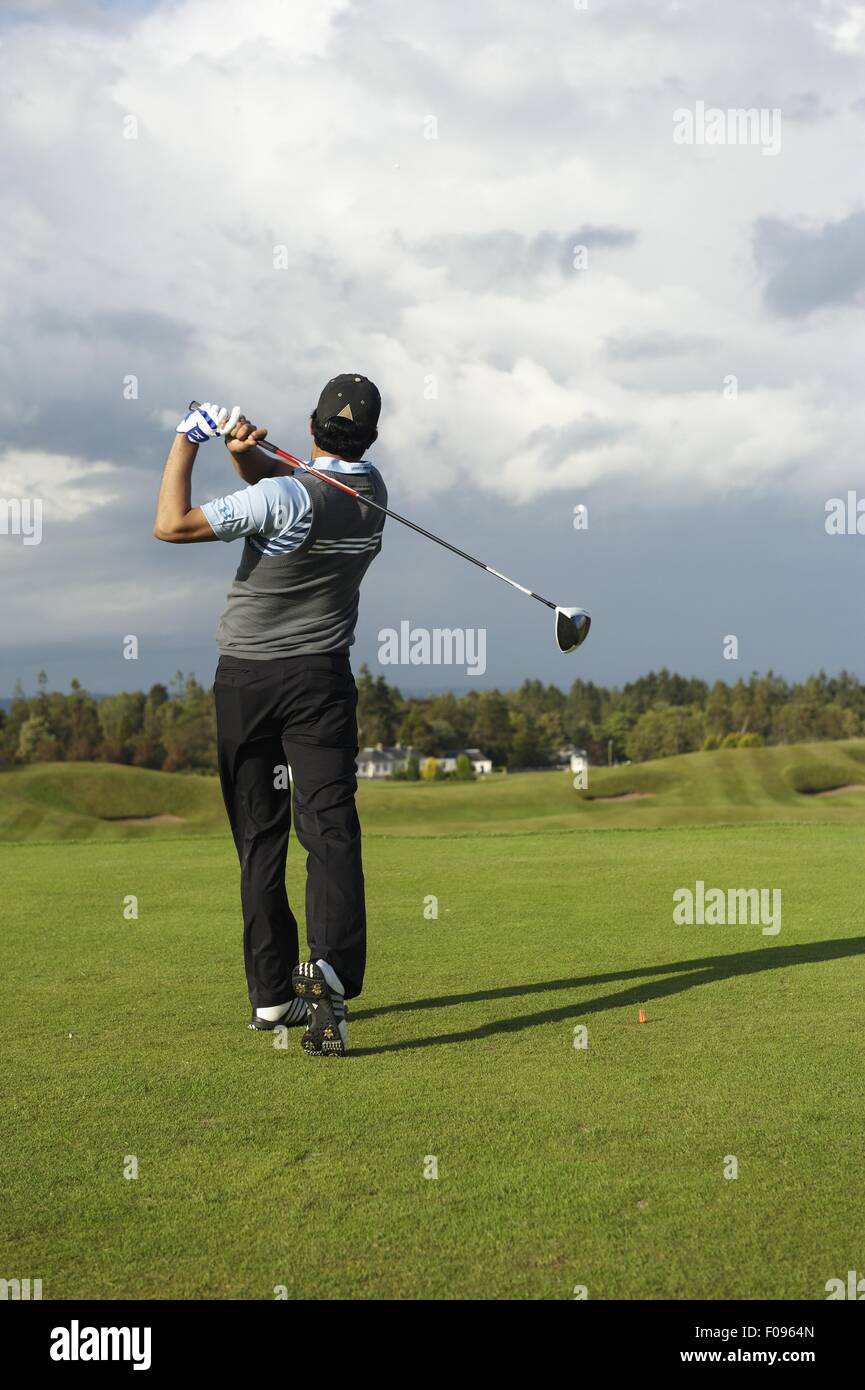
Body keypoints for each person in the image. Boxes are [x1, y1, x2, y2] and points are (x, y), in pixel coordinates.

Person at [153, 376, 386, 1056]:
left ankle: (271, 995)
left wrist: (187, 439)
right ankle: (332, 978)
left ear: (311, 426)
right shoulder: (372, 494)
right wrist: (241, 451)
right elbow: (283, 497)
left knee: (260, 836)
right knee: (329, 828)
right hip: (320, 678)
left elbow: (172, 525)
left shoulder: (285, 493)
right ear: (368, 437)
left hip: (247, 682)